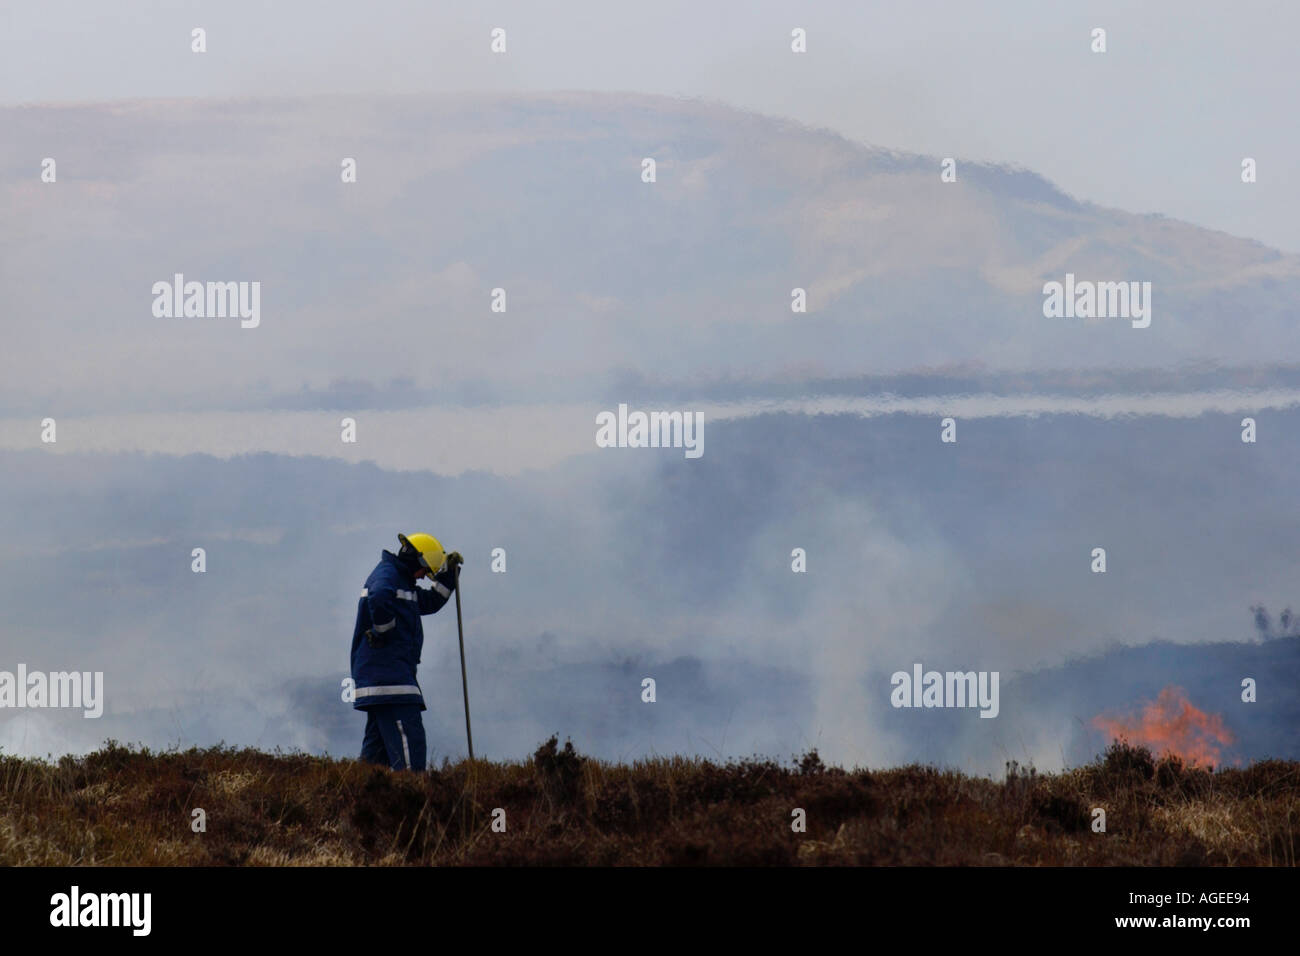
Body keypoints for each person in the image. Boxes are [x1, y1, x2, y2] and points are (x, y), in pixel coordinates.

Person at [351, 533, 462, 771]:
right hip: (391, 681)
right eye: (425, 571)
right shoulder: (387, 577)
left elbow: (430, 601)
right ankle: (413, 803)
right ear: (416, 561)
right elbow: (379, 596)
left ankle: (359, 805)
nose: (423, 577)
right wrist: (383, 631)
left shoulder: (401, 583)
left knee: (372, 768)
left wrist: (448, 577)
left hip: (383, 682)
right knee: (411, 754)